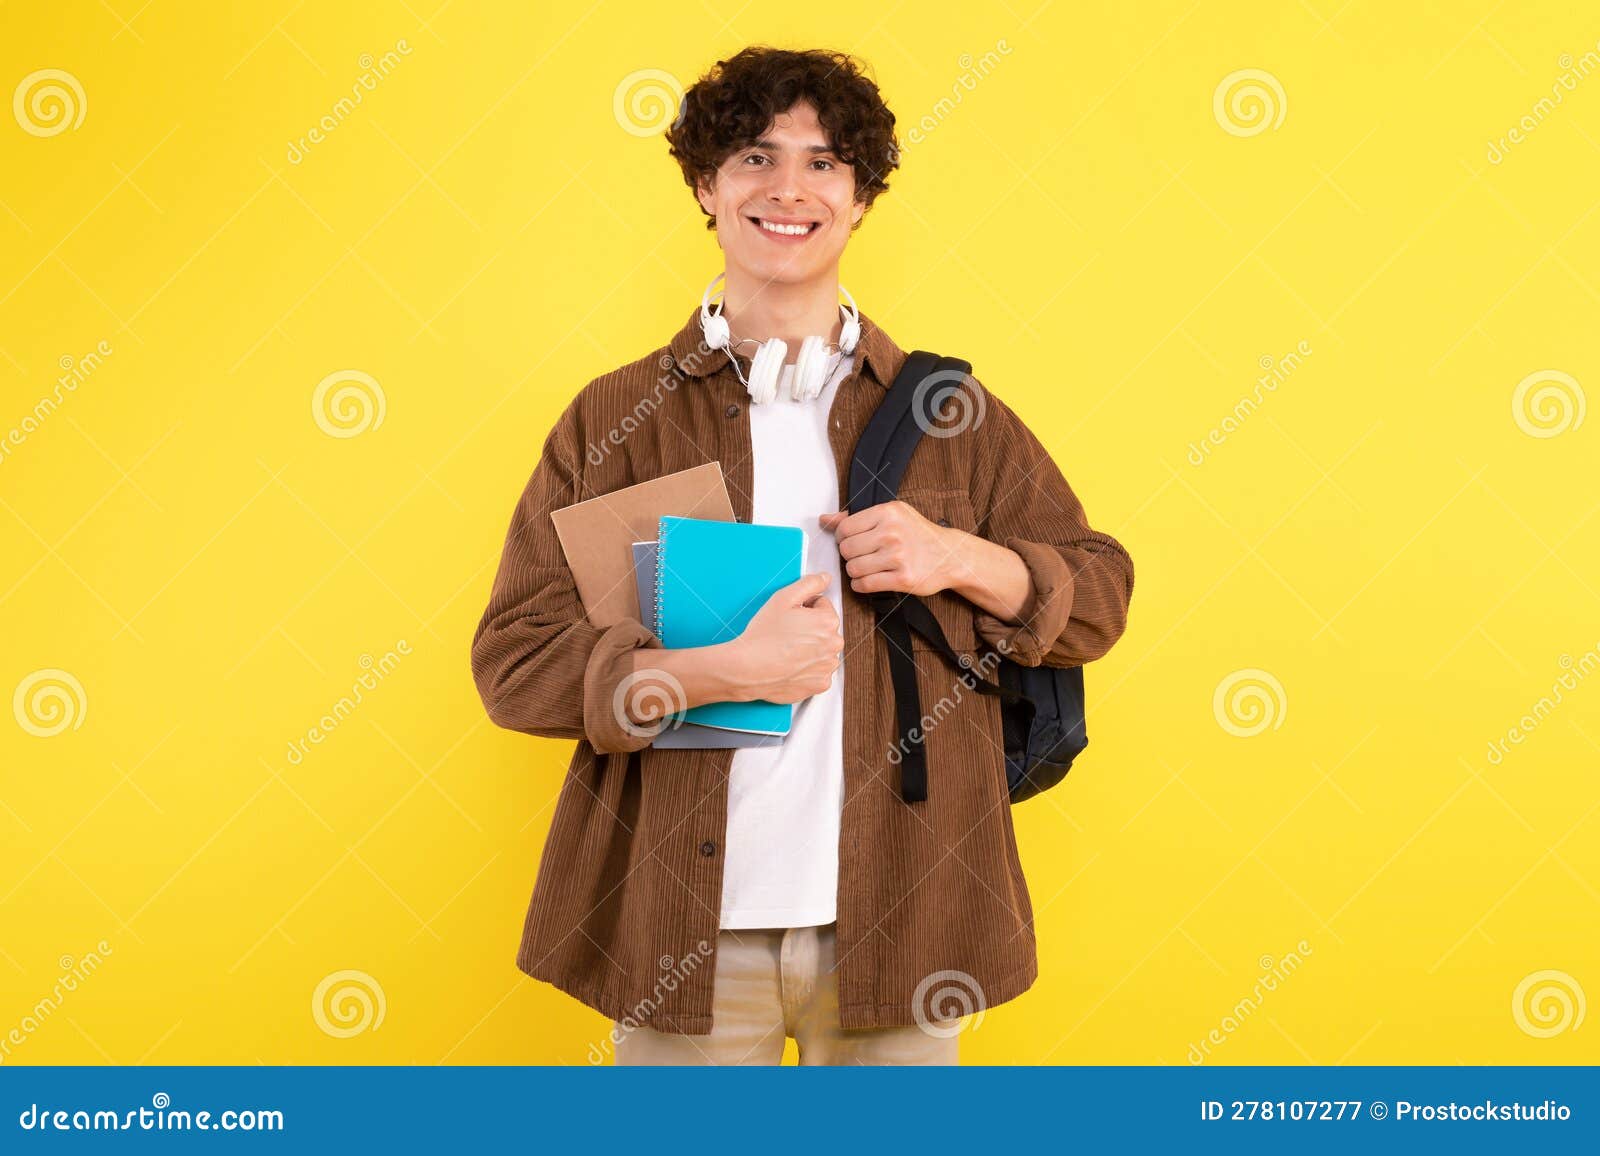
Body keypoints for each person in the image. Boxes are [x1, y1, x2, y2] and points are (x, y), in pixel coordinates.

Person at [470, 46, 1134, 1065]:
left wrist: (955, 554)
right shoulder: (615, 420)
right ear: (705, 185)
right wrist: (718, 672)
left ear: (860, 196)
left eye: (823, 163)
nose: (789, 189)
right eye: (753, 157)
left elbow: (1096, 596)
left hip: (904, 919)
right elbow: (516, 665)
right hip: (678, 931)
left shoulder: (947, 412)